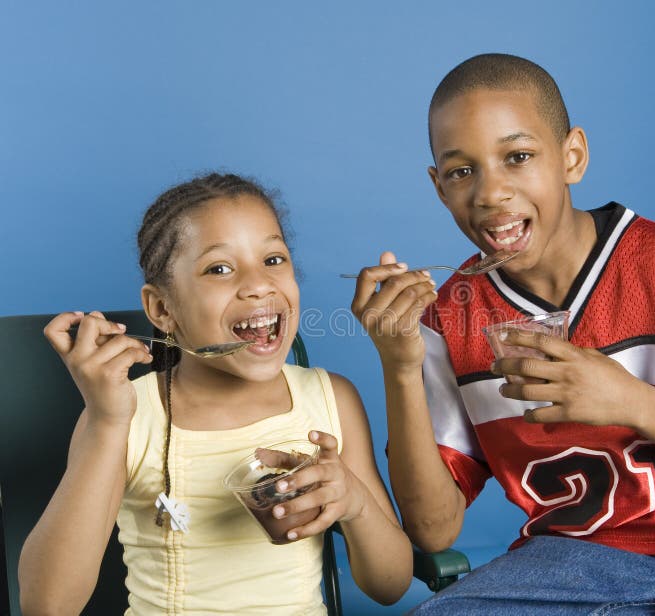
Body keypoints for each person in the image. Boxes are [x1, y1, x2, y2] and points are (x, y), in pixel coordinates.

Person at [350, 53, 655, 613]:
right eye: (462, 171)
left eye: (517, 157)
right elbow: (434, 530)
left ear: (572, 157)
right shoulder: (453, 315)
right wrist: (399, 366)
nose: (490, 193)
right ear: (439, 186)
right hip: (578, 565)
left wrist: (629, 399)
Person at [19, 172, 412, 615]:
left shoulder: (329, 400)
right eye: (219, 268)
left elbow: (391, 586)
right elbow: (45, 605)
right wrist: (107, 422)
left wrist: (355, 502)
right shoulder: (126, 415)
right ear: (163, 309)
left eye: (274, 259)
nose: (259, 284)